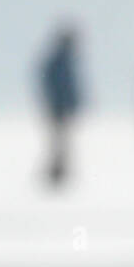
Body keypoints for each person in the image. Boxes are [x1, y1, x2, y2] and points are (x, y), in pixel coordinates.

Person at [38, 26, 82, 186]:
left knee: (61, 142)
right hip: (58, 108)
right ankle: (56, 173)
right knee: (59, 142)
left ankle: (59, 172)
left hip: (60, 107)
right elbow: (61, 85)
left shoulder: (63, 60)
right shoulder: (60, 61)